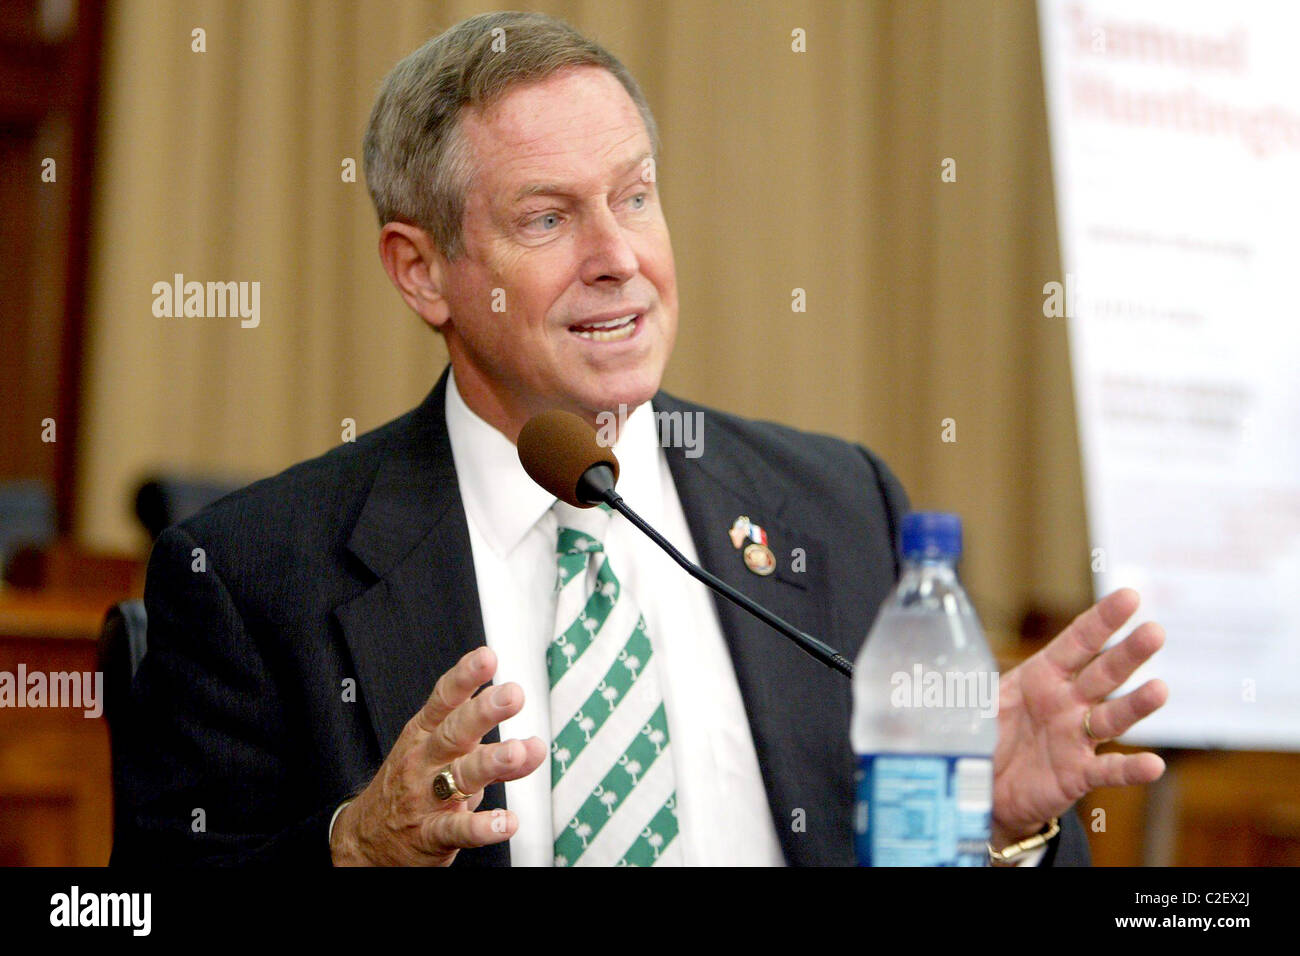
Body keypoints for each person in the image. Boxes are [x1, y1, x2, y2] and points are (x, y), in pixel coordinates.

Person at [110, 11, 1169, 867]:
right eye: (547, 218)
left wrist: (984, 831)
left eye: (635, 196)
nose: (618, 256)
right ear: (421, 270)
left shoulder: (843, 511)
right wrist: (352, 847)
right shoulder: (252, 576)